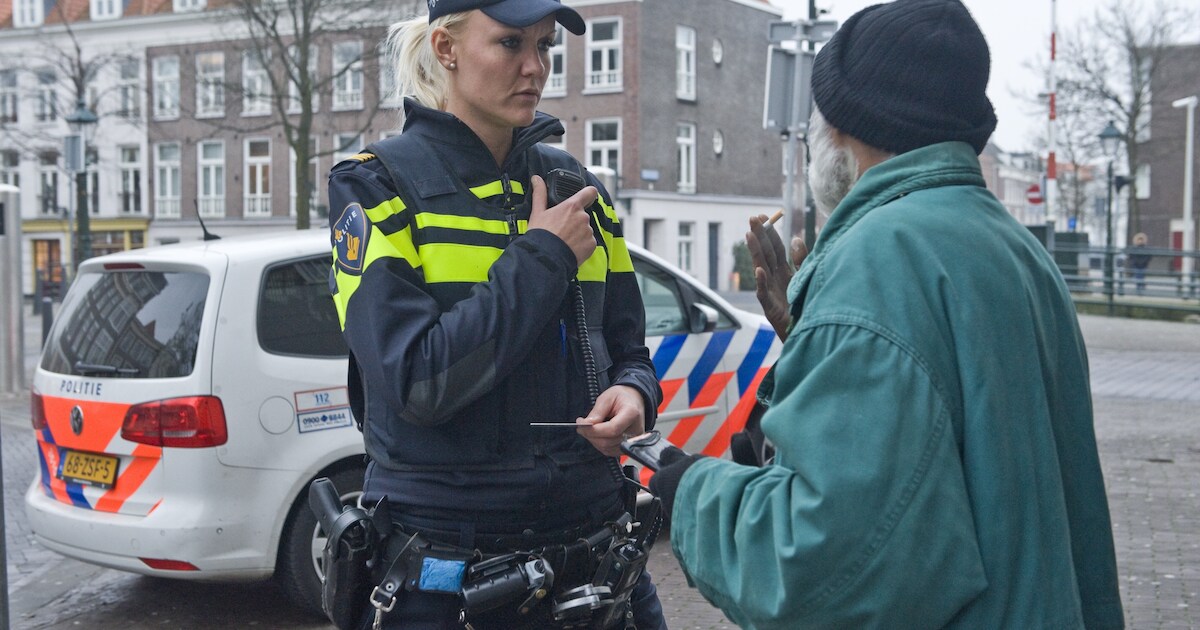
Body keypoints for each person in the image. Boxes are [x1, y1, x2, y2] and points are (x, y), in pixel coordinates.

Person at [649, 1, 1125, 628]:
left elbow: (823, 562)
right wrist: (813, 336)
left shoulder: (876, 262)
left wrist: (691, 494)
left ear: (845, 126)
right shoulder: (1017, 249)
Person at [326, 0, 666, 628]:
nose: (535, 67)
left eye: (545, 46)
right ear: (446, 48)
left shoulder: (579, 189)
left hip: (596, 554)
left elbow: (629, 351)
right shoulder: (376, 186)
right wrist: (544, 256)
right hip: (446, 570)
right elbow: (417, 381)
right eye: (511, 44)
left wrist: (634, 392)